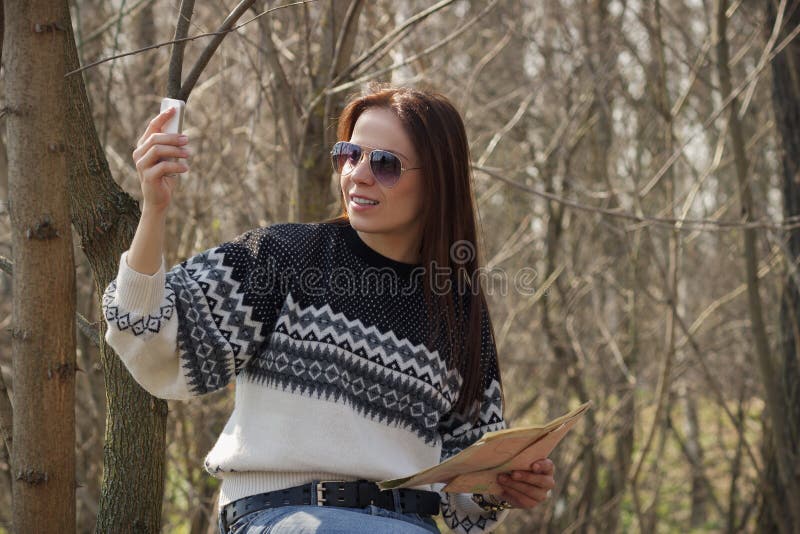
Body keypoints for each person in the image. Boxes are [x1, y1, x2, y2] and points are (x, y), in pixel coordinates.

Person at [102, 84, 556, 534]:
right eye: (349, 155)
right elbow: (147, 334)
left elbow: (468, 487)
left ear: (438, 181)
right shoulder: (282, 257)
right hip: (275, 515)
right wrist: (154, 210)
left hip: (408, 524)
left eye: (385, 164)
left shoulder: (457, 309)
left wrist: (506, 485)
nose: (358, 175)